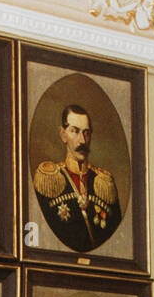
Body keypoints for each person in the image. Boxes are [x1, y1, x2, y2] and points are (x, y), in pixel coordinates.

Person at [33, 104, 122, 251]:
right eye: (74, 131)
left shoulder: (105, 183)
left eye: (86, 133)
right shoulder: (47, 179)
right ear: (63, 134)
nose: (82, 140)